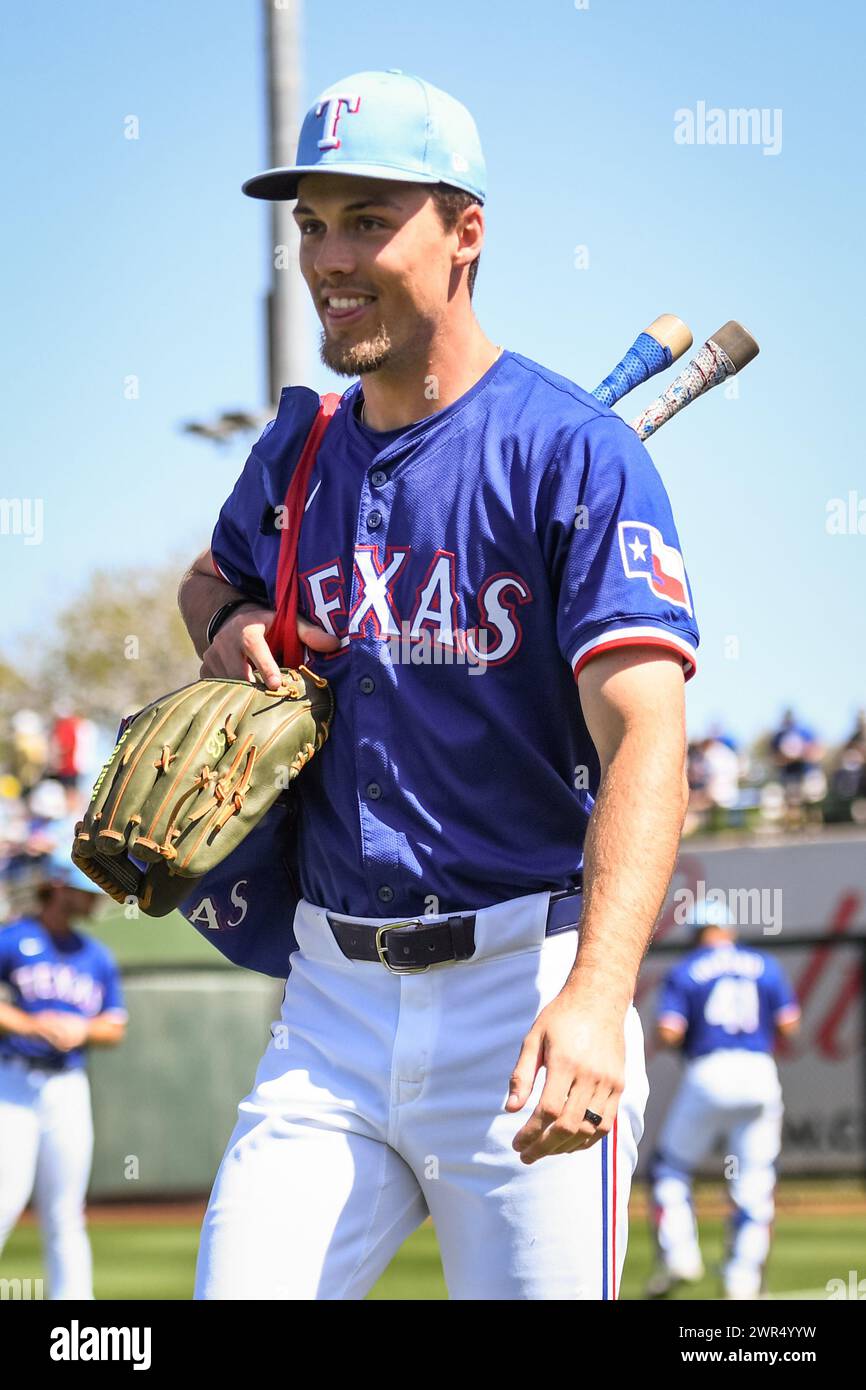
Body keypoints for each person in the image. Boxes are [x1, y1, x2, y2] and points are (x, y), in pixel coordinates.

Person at [178, 69, 698, 1300]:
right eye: (309, 223)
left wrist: (596, 995)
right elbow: (206, 579)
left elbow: (644, 740)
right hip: (327, 1009)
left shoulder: (573, 455)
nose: (328, 257)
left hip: (523, 990)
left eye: (367, 219)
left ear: (466, 231)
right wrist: (234, 619)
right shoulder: (298, 445)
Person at [646, 903, 800, 1300]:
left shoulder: (686, 969)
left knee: (670, 1170)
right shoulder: (764, 963)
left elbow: (670, 1030)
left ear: (698, 933)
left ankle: (680, 1254)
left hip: (709, 1072)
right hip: (759, 1072)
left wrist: (654, 1045)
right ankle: (742, 1280)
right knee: (755, 1181)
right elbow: (789, 1024)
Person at [0, 857, 127, 1299]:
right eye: (83, 888)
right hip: (12, 1082)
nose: (93, 898)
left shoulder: (96, 955)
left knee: (66, 1212)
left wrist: (82, 1029)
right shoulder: (13, 937)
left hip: (68, 1087)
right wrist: (31, 1024)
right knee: (4, 1201)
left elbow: (114, 1025)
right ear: (57, 886)